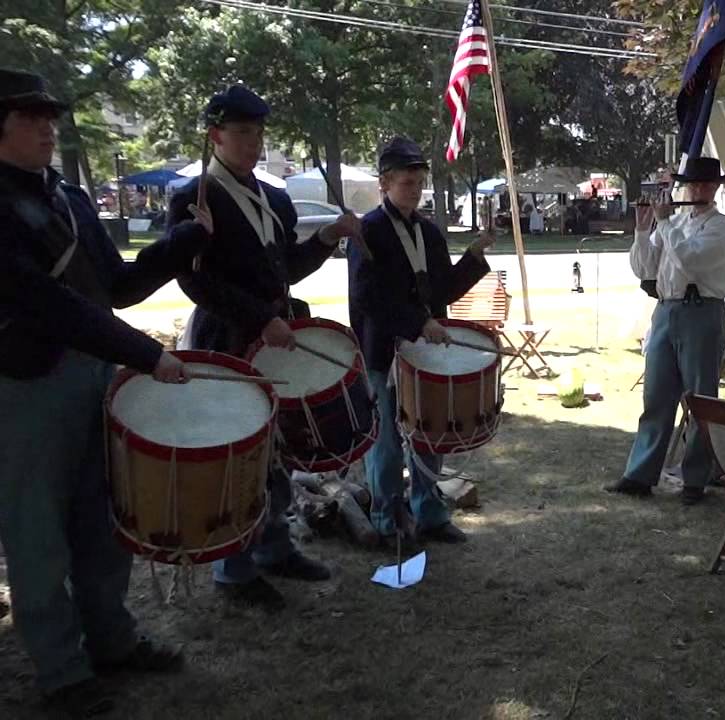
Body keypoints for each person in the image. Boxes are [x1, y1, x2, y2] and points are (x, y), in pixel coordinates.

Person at [0, 68, 205, 716]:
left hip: (96, 375)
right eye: (30, 115)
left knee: (103, 522)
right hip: (26, 385)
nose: (47, 126)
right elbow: (44, 302)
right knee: (36, 535)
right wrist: (148, 355)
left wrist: (185, 239)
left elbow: (116, 286)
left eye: (50, 115)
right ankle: (62, 670)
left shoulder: (69, 197)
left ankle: (112, 639)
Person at [168, 85, 360, 612]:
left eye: (258, 133)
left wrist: (324, 242)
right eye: (242, 133)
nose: (253, 143)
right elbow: (194, 281)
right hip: (227, 335)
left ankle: (274, 546)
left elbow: (283, 270)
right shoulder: (194, 196)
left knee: (278, 444)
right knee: (237, 450)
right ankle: (234, 570)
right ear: (216, 136)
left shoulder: (272, 198)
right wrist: (259, 317)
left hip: (272, 332)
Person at [348, 136, 494, 545]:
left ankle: (429, 513)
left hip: (422, 352)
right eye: (406, 182)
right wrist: (416, 323)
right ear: (385, 183)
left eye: (418, 181)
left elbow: (441, 291)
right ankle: (387, 519)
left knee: (430, 434)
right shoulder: (369, 230)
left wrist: (474, 257)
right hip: (382, 351)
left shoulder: (429, 232)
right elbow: (365, 297)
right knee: (388, 444)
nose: (414, 188)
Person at [605, 157, 725, 506]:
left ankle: (695, 479)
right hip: (666, 309)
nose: (699, 190)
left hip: (702, 312)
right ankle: (640, 475)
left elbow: (690, 260)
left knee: (700, 400)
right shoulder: (675, 221)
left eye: (707, 185)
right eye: (694, 184)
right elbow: (645, 269)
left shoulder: (721, 226)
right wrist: (642, 229)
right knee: (656, 396)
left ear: (716, 188)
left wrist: (664, 225)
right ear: (685, 186)